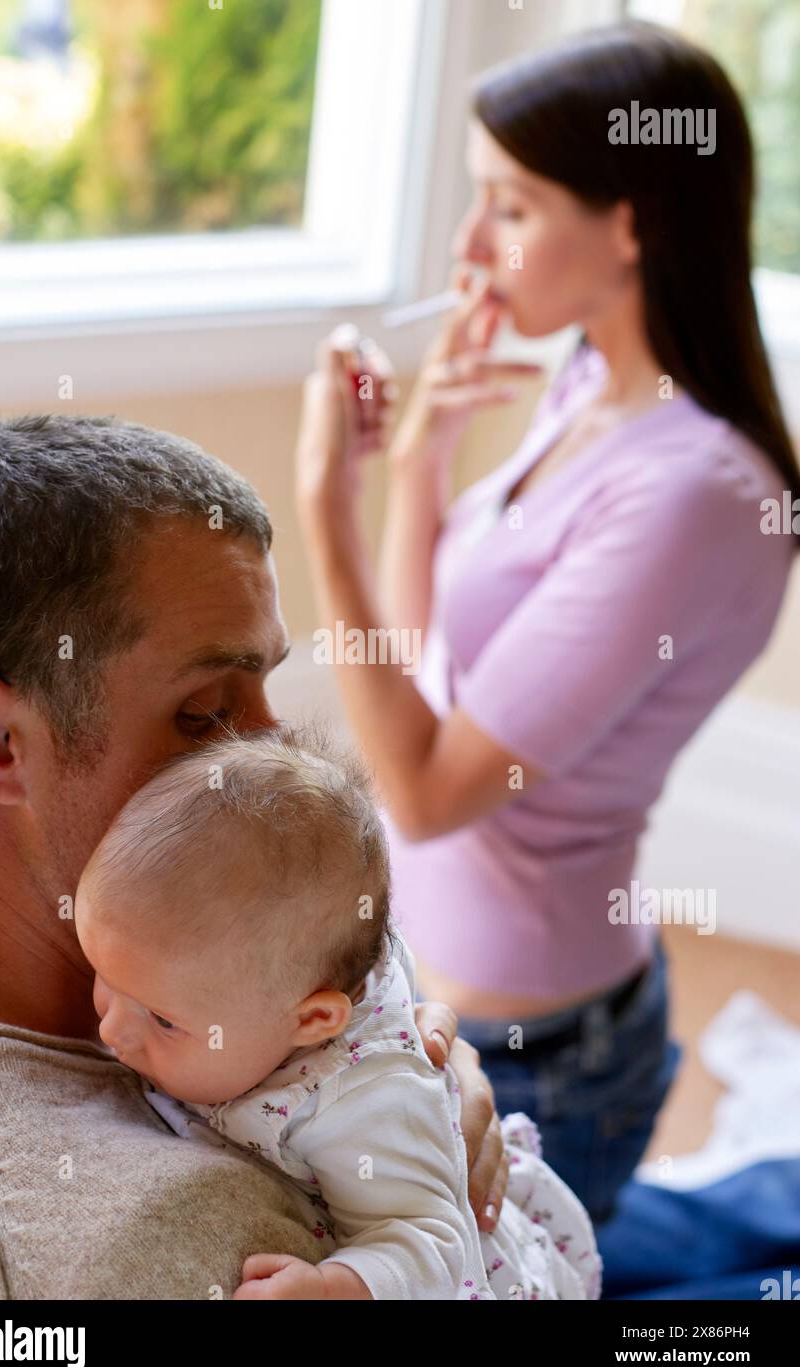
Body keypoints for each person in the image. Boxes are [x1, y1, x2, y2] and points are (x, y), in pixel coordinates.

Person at [293, 20, 798, 1224]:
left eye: (509, 207)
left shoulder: (688, 493)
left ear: (628, 221)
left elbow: (422, 787)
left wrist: (322, 502)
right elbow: (434, 673)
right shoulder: (590, 385)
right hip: (428, 982)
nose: (470, 246)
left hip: (534, 1052)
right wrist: (413, 465)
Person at [0, 415, 510, 1299]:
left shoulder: (194, 906)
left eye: (268, 686)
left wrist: (411, 1073)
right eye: (204, 711)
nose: (275, 749)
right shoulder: (162, 1243)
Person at [73, 724, 603, 1301]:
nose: (111, 1029)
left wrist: (334, 1287)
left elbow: (434, 1243)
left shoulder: (362, 1102)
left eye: (162, 1019)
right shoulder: (270, 972)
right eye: (104, 976)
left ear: (312, 1020)